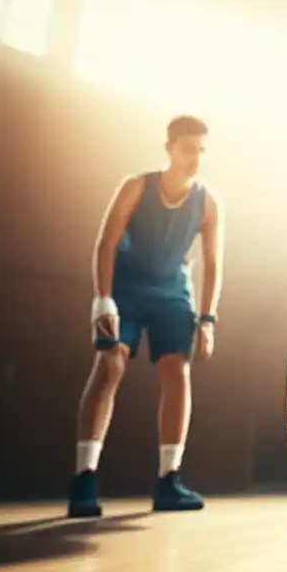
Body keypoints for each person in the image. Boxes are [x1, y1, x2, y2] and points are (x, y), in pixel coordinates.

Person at [67, 115, 225, 518]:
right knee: (110, 365)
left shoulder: (207, 202)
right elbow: (106, 243)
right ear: (169, 148)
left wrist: (208, 319)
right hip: (127, 286)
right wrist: (103, 300)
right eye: (188, 148)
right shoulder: (136, 187)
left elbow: (212, 261)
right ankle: (84, 478)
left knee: (177, 370)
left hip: (172, 291)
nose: (195, 158)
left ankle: (168, 480)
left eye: (201, 150)